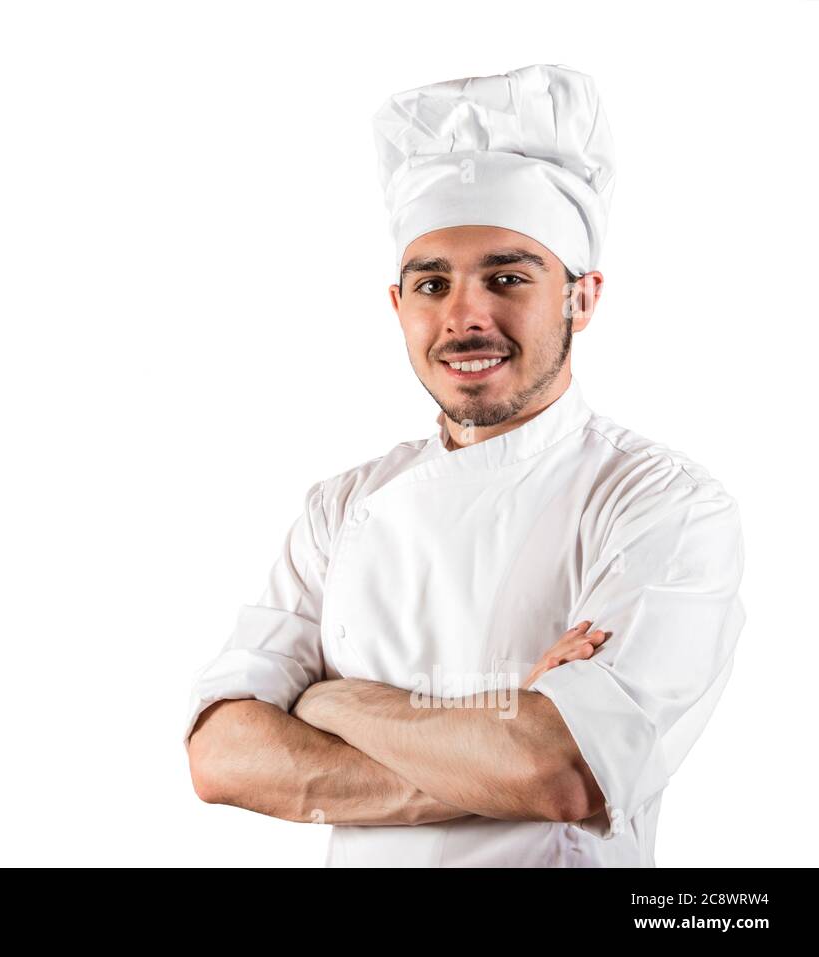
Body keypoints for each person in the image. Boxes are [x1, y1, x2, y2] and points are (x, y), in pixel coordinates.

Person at [182, 63, 746, 867]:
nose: (464, 317)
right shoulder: (340, 507)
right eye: (432, 283)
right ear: (397, 305)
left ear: (580, 298)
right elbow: (221, 754)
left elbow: (562, 769)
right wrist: (500, 736)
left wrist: (333, 698)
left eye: (507, 277)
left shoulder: (662, 503)